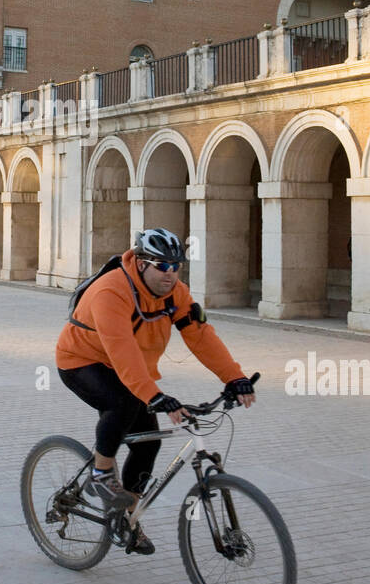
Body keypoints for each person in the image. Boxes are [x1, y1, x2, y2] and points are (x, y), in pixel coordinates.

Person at [55, 227, 256, 556]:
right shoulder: (111, 291)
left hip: (130, 370)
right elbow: (122, 352)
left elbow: (201, 335)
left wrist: (234, 377)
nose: (171, 273)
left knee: (148, 444)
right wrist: (153, 395)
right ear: (142, 263)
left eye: (177, 266)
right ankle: (100, 473)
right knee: (121, 404)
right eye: (161, 265)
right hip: (82, 361)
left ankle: (128, 518)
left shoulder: (176, 292)